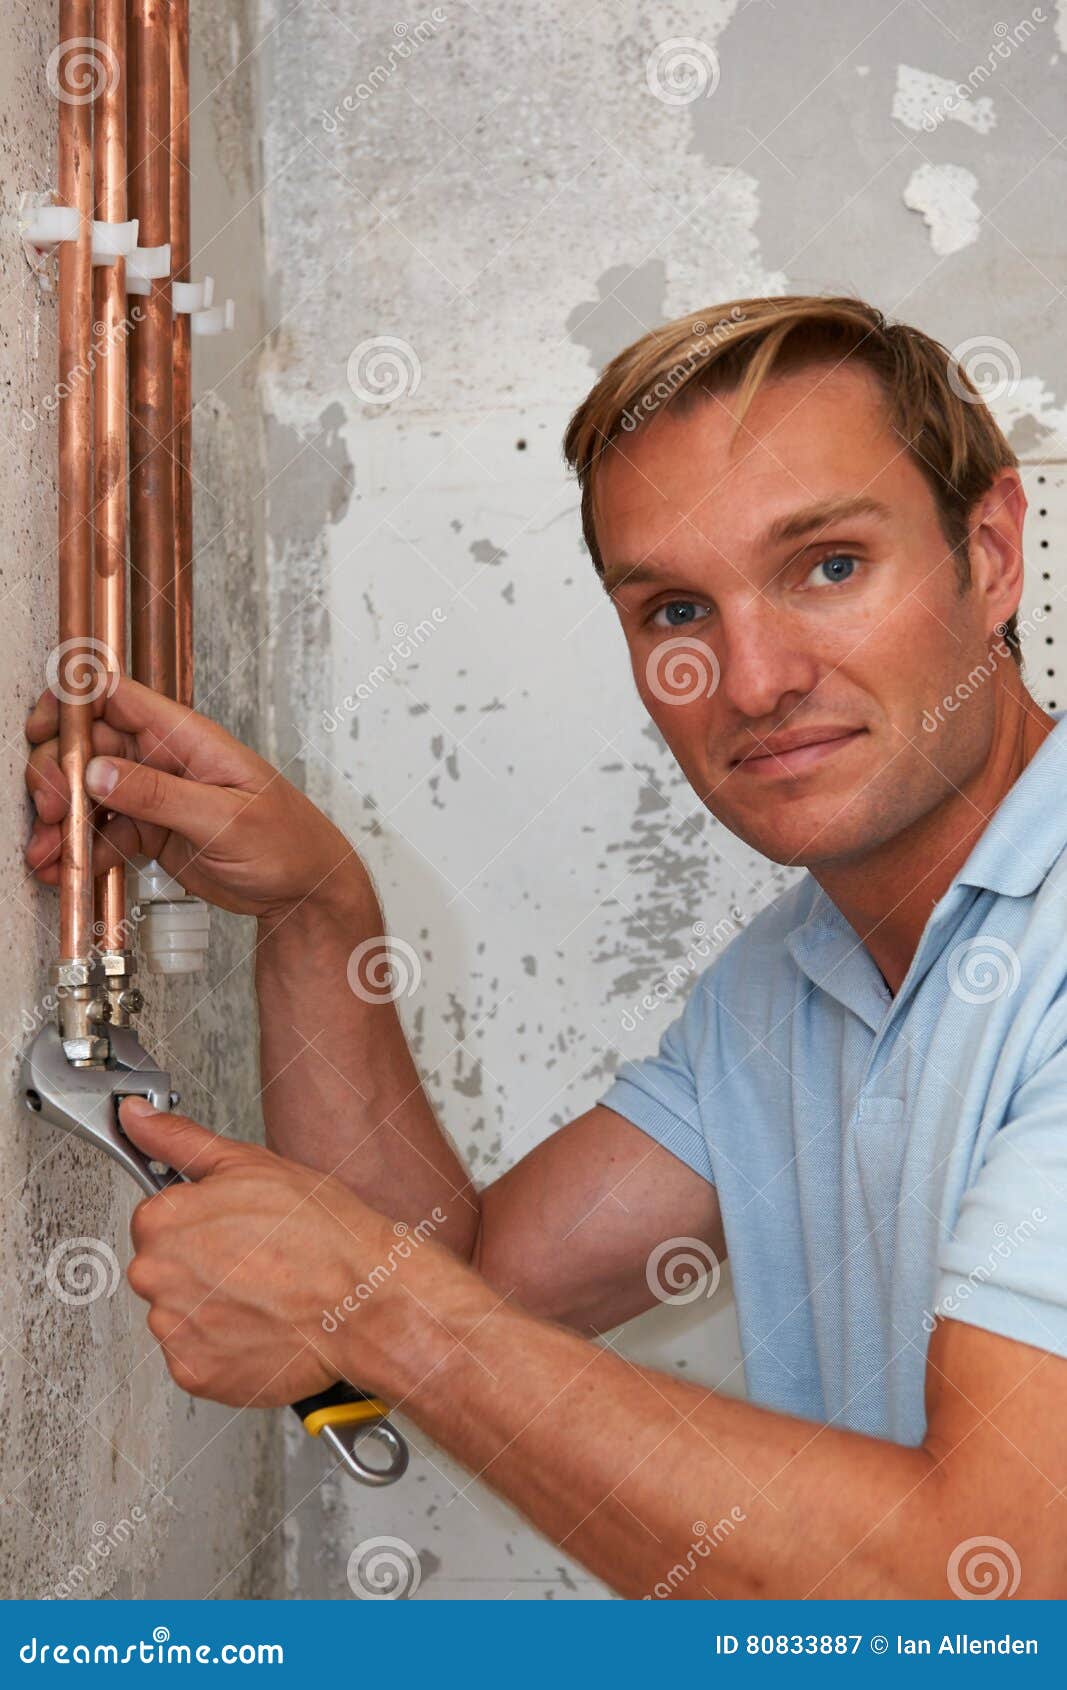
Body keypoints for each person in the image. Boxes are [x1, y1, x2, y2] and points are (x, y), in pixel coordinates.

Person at [24, 296, 1067, 1599]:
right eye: (677, 610)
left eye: (830, 566)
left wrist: (380, 1309)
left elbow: (1005, 1581)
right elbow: (472, 1290)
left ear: (994, 550)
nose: (751, 680)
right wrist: (317, 915)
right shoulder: (791, 978)